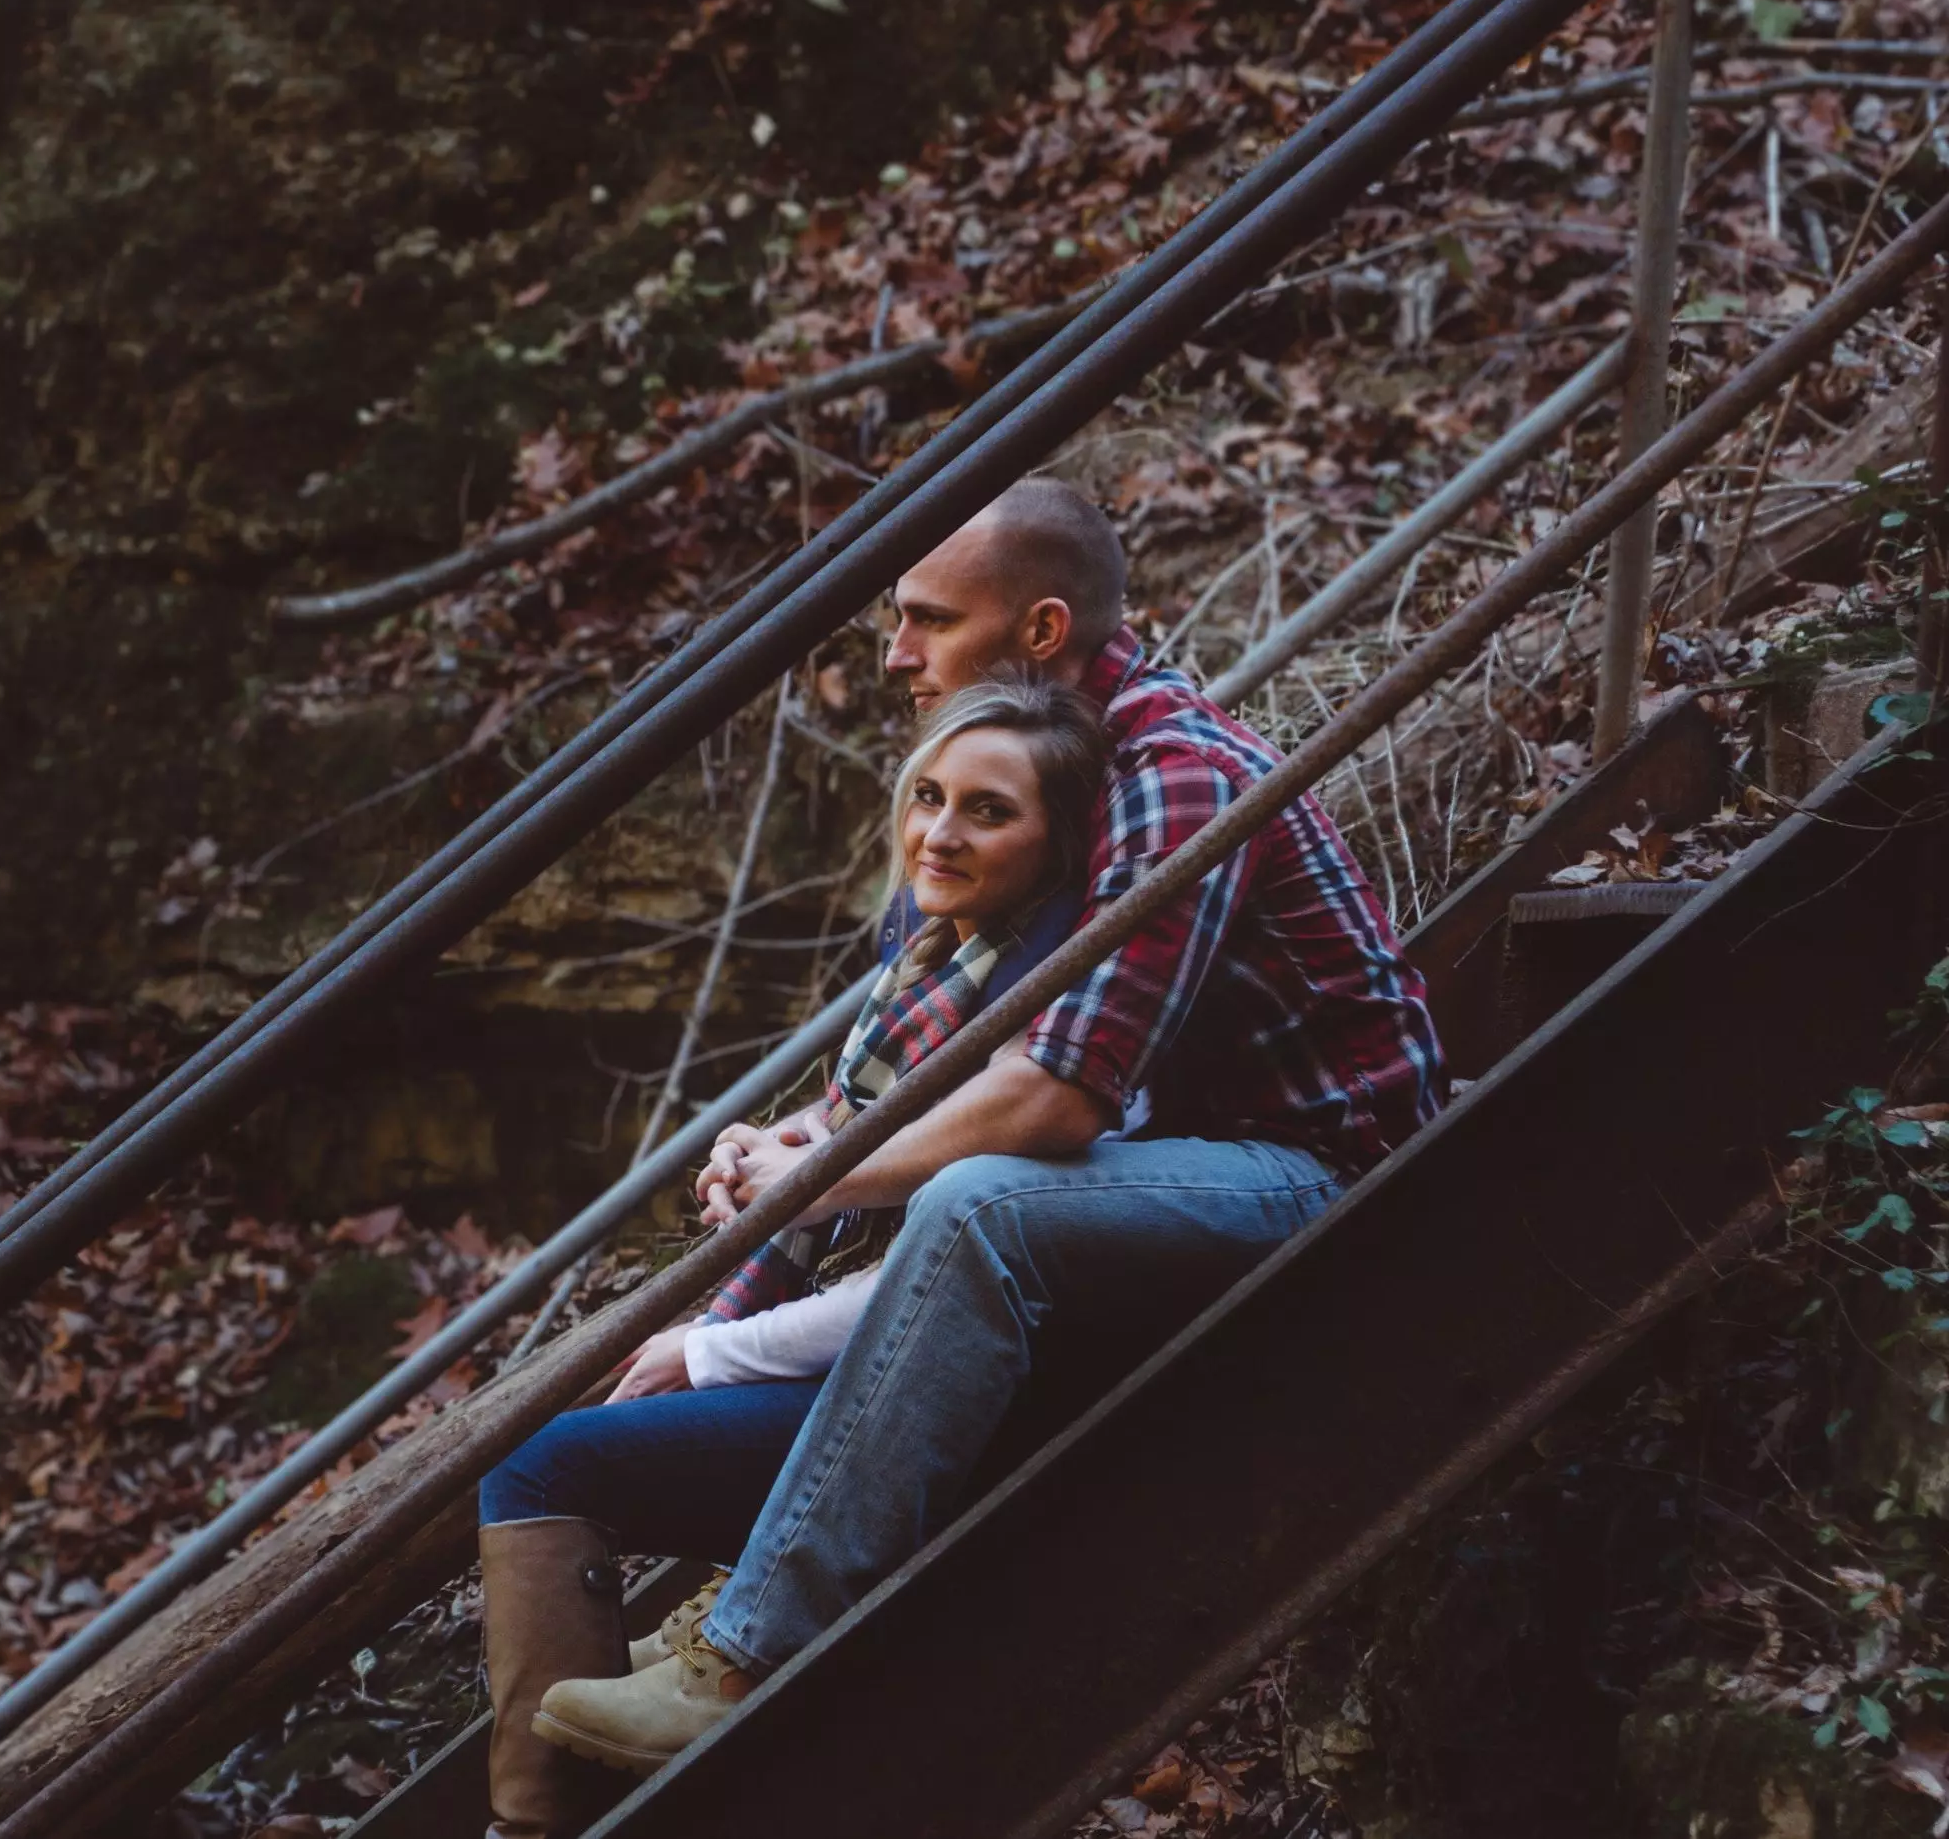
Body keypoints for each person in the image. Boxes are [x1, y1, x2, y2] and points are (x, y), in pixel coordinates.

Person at [527, 477, 1446, 1779]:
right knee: (962, 1199)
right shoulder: (1054, 772)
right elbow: (964, 1045)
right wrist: (808, 1135)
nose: (896, 652)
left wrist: (813, 1180)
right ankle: (712, 1634)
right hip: (1189, 1159)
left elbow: (1058, 1094)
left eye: (926, 620)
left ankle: (751, 1655)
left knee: (983, 1203)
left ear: (1041, 628)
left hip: (1329, 1176)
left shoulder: (1170, 773)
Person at [470, 672, 1109, 1839]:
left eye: (988, 810)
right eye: (927, 795)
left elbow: (937, 1271)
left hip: (952, 1404)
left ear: (1060, 838)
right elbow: (866, 1151)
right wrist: (790, 1154)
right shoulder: (933, 960)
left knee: (542, 1469)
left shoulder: (1051, 997)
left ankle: (545, 1823)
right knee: (541, 1451)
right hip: (867, 1368)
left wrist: (715, 1351)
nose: (940, 832)